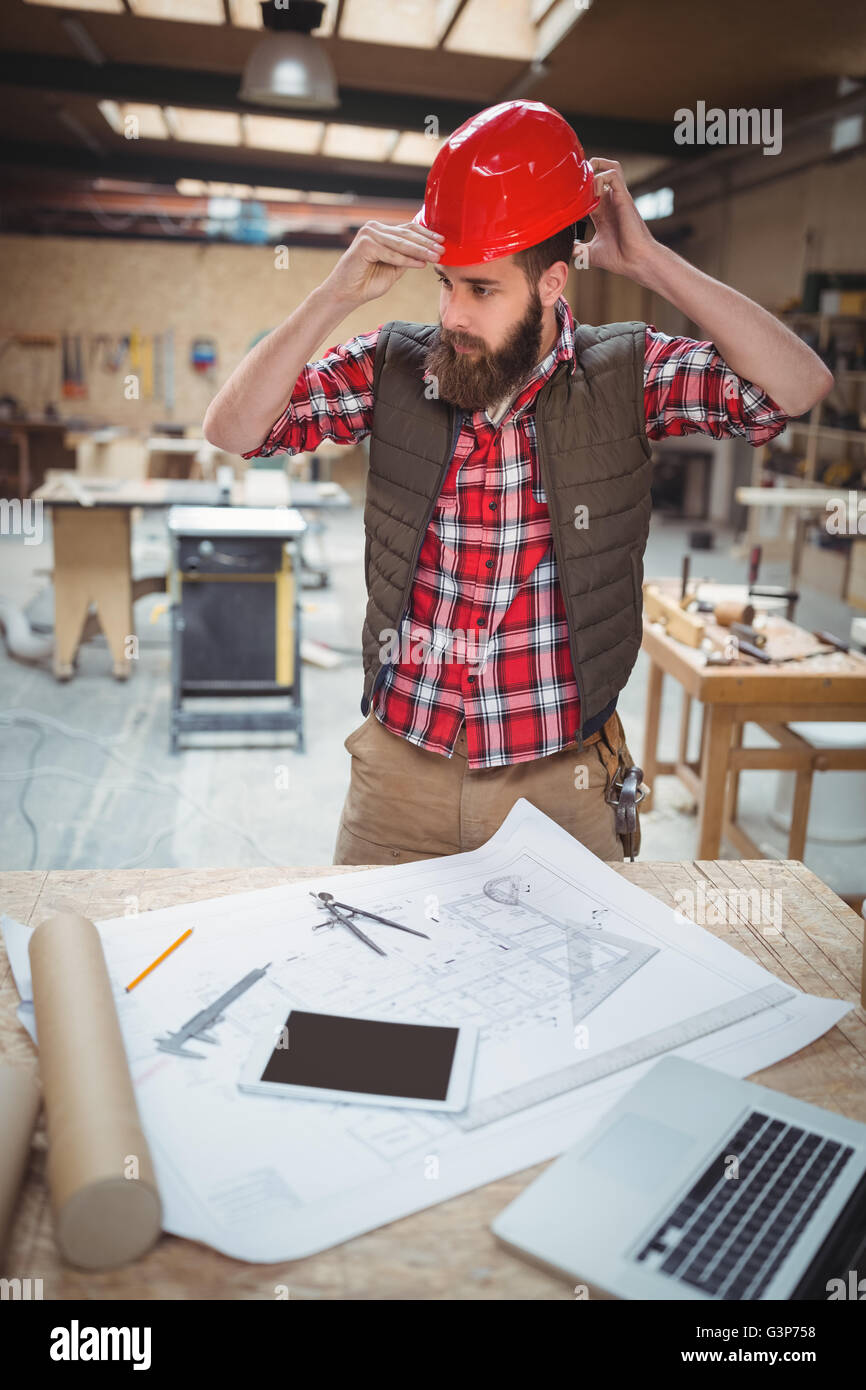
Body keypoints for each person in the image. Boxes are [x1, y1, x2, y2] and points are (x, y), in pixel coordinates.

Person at [203, 100, 833, 868]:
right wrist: (334, 295)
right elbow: (234, 430)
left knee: (579, 992)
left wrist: (652, 263)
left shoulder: (625, 377)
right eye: (445, 284)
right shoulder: (396, 368)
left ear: (552, 284)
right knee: (363, 990)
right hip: (400, 781)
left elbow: (794, 389)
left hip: (562, 787)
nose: (452, 314)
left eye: (481, 289)